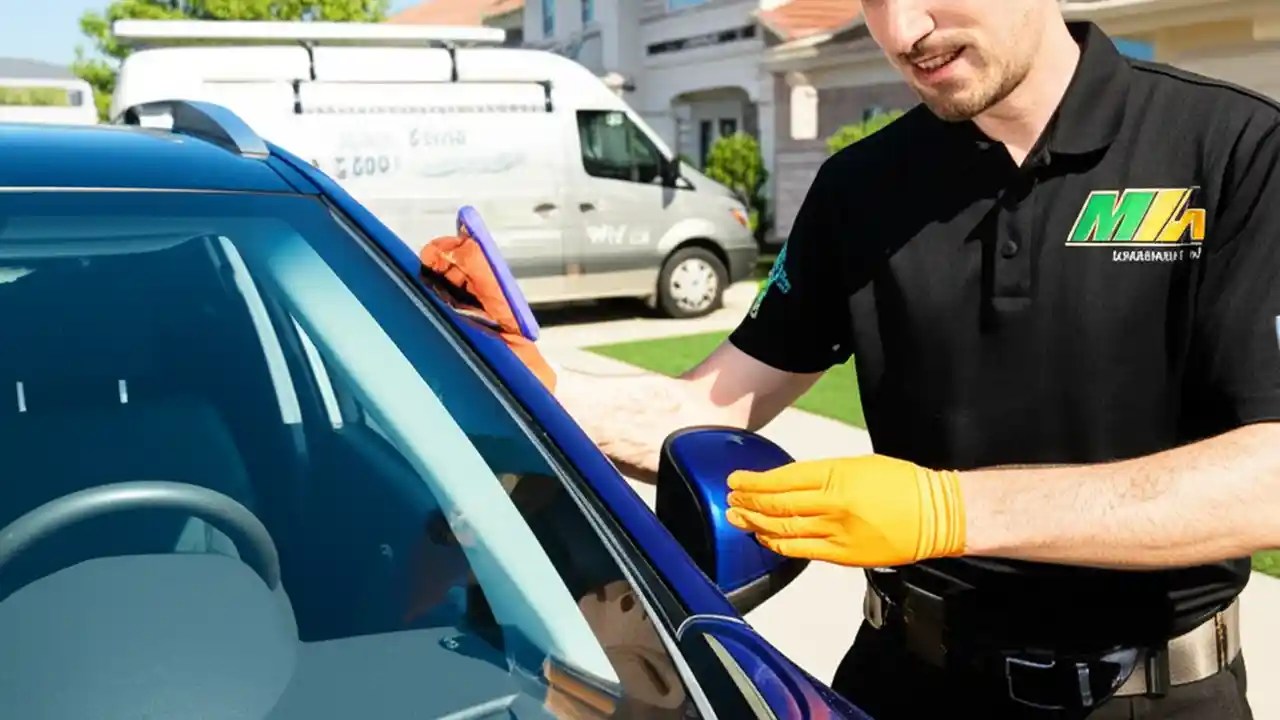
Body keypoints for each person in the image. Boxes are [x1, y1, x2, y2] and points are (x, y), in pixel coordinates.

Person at [419, 1, 1280, 716]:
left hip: (1157, 695)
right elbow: (714, 407)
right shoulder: (863, 187)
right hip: (901, 682)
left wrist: (949, 512)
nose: (904, 30)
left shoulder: (1233, 152)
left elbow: (1267, 481)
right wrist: (535, 382)